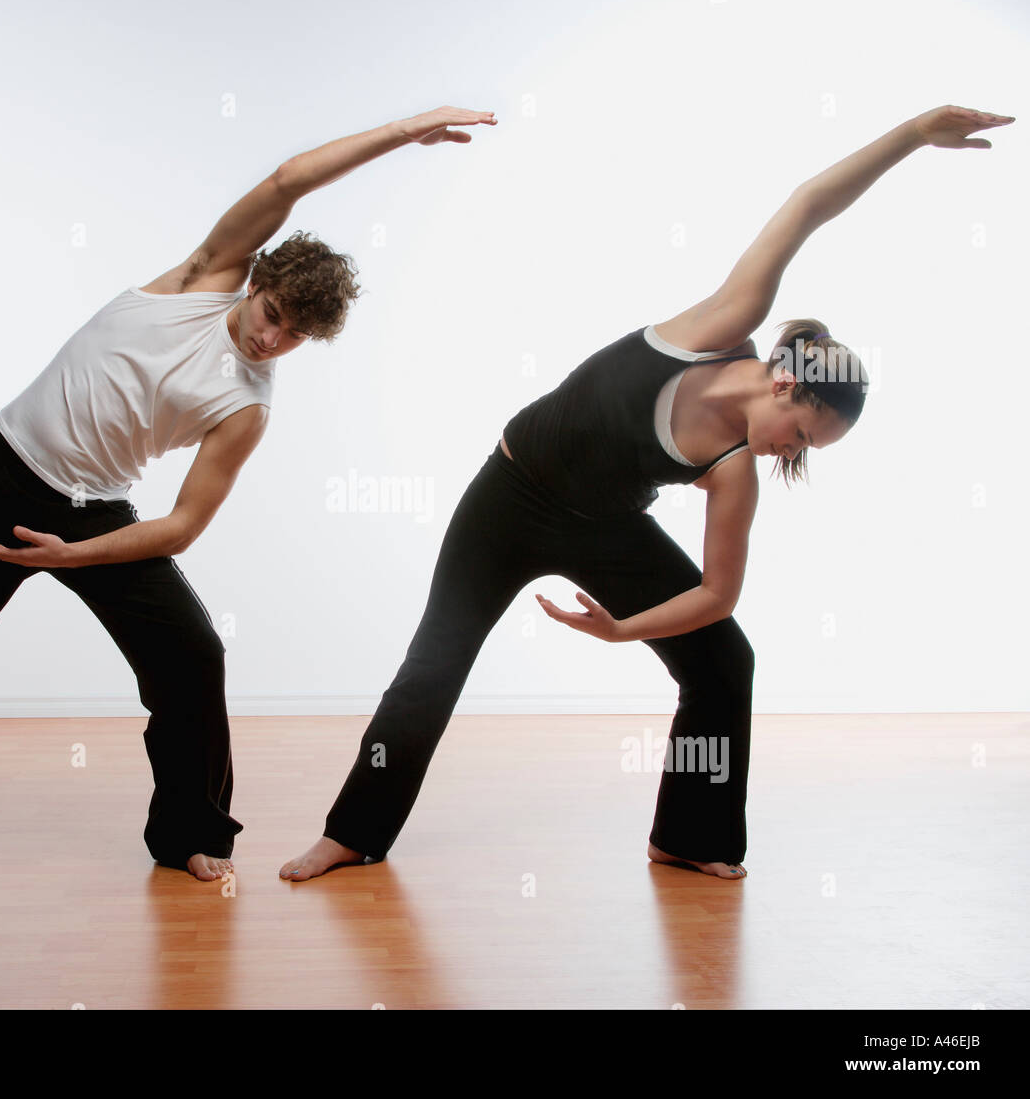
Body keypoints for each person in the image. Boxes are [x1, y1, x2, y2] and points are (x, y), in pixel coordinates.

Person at [0, 105, 498, 886]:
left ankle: (188, 830)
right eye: (273, 315)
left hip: (93, 511)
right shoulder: (201, 278)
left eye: (292, 338)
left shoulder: (249, 408)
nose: (270, 339)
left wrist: (74, 553)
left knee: (192, 653)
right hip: (3, 475)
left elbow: (181, 526)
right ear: (256, 282)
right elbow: (288, 181)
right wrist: (402, 134)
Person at [280, 103, 1013, 883]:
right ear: (787, 381)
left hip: (603, 524)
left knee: (724, 663)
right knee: (436, 659)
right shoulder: (721, 326)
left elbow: (719, 596)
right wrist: (910, 136)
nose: (789, 453)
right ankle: (352, 833)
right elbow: (806, 206)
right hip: (510, 495)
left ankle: (690, 835)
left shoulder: (733, 468)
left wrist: (623, 632)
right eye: (800, 434)